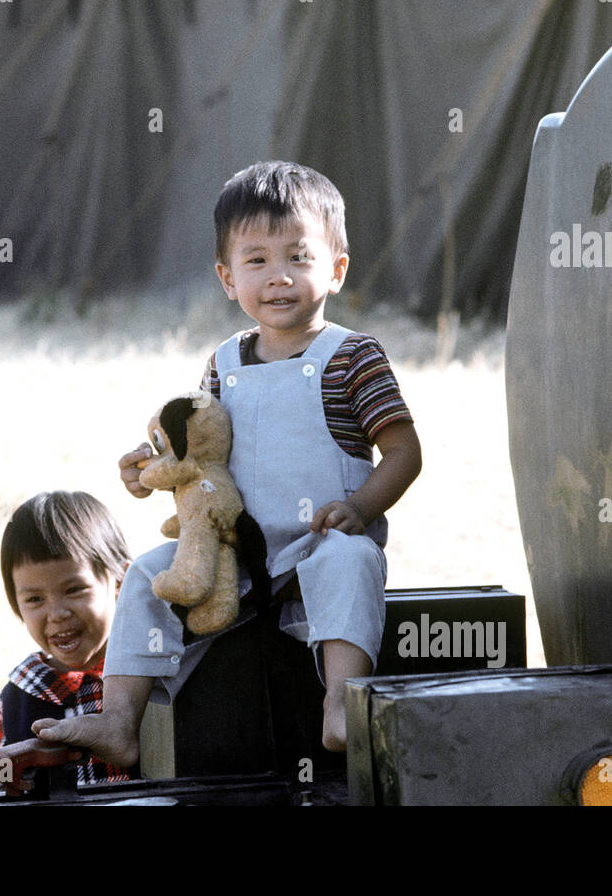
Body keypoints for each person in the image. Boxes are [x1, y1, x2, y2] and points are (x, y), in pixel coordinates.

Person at [35, 161, 422, 764]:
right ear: (226, 276)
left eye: (299, 257)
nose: (279, 278)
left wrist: (358, 508)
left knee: (353, 563)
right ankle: (117, 720)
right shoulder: (223, 364)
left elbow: (404, 451)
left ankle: (343, 701)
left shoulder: (351, 357)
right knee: (144, 574)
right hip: (233, 555)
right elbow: (198, 450)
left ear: (337, 268)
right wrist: (150, 465)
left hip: (322, 546)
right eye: (257, 260)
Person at [0, 491, 137, 784]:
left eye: (74, 590)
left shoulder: (148, 677)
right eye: (34, 599)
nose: (56, 614)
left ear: (121, 583)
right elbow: (6, 788)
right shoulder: (14, 702)